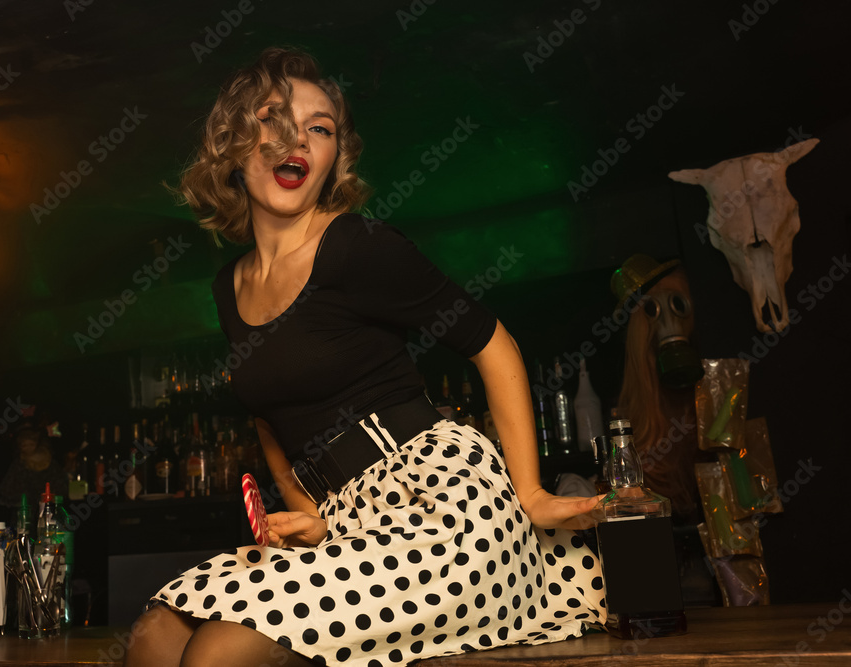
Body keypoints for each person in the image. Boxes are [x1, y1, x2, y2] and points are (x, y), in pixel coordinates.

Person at [124, 47, 606, 667]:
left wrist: (531, 493)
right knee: (154, 638)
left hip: (442, 505)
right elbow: (269, 414)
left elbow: (494, 344)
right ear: (232, 146)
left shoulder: (357, 247)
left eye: (318, 128)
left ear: (332, 160)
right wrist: (309, 515)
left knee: (219, 652)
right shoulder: (229, 287)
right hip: (343, 525)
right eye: (272, 118)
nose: (295, 139)